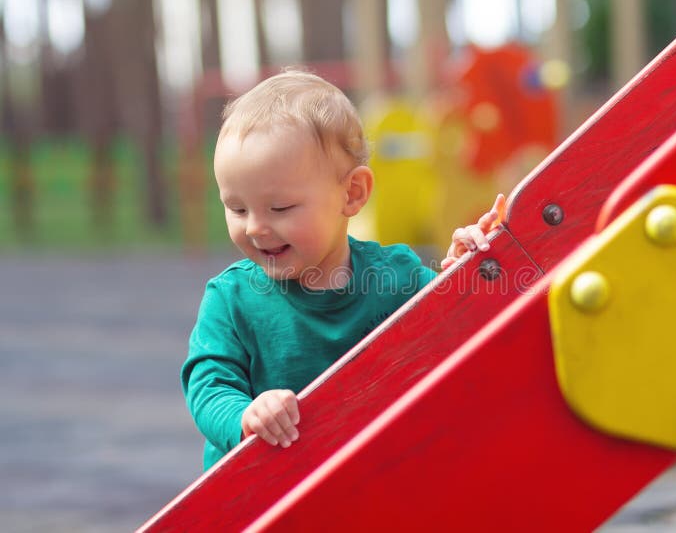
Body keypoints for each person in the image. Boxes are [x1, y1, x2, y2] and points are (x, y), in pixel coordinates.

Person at [181, 69, 506, 470]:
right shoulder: (230, 300)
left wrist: (462, 269)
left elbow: (448, 323)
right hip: (264, 491)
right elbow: (209, 383)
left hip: (370, 478)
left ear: (351, 194)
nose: (255, 227)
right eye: (237, 208)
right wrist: (245, 416)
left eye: (280, 208)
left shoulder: (394, 278)